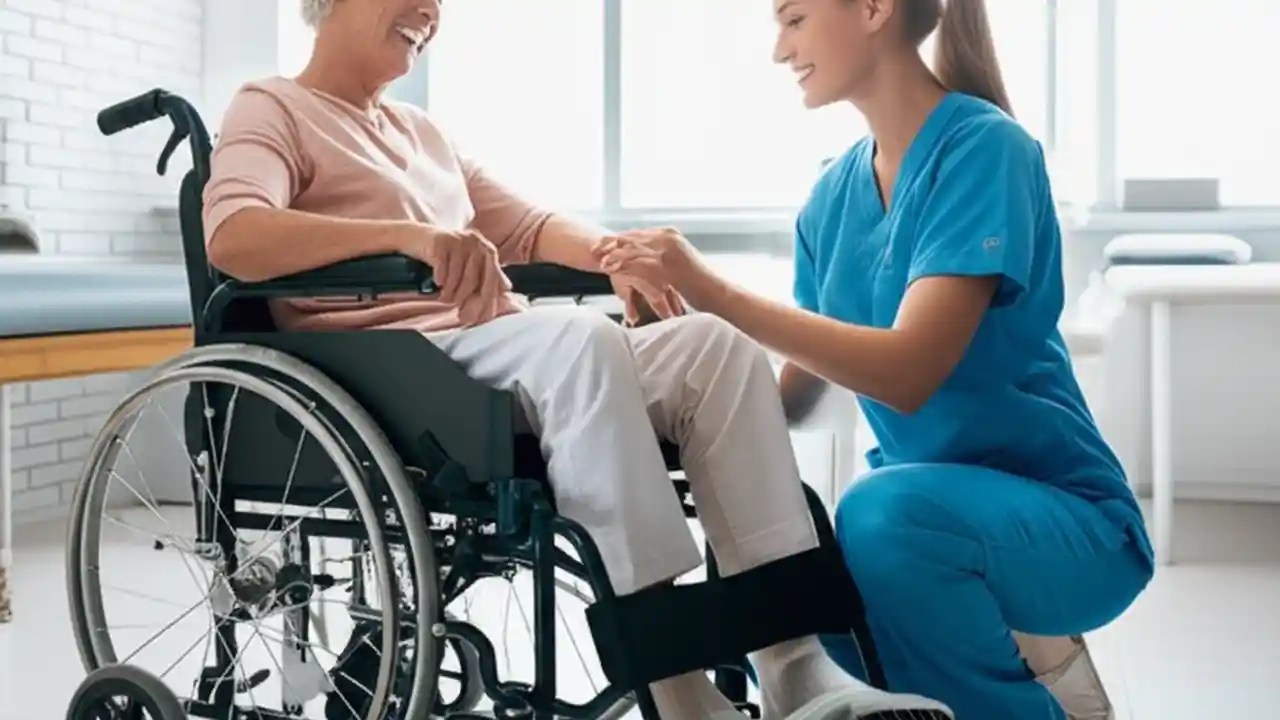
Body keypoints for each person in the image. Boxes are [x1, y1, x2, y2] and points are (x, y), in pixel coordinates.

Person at [201, 0, 955, 718]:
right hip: (394, 365)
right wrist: (409, 237)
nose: (432, 11)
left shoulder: (419, 132)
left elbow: (527, 228)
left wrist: (619, 259)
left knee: (713, 347)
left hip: (499, 351)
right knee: (581, 339)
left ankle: (796, 668)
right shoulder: (272, 106)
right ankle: (673, 684)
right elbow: (235, 235)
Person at [595, 0, 1156, 718]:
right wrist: (681, 343)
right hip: (922, 523)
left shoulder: (985, 150)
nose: (780, 50)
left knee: (880, 516)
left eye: (794, 19)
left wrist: (715, 291)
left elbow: (907, 372)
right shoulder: (830, 200)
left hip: (1072, 528)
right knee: (808, 584)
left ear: (872, 9)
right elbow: (792, 397)